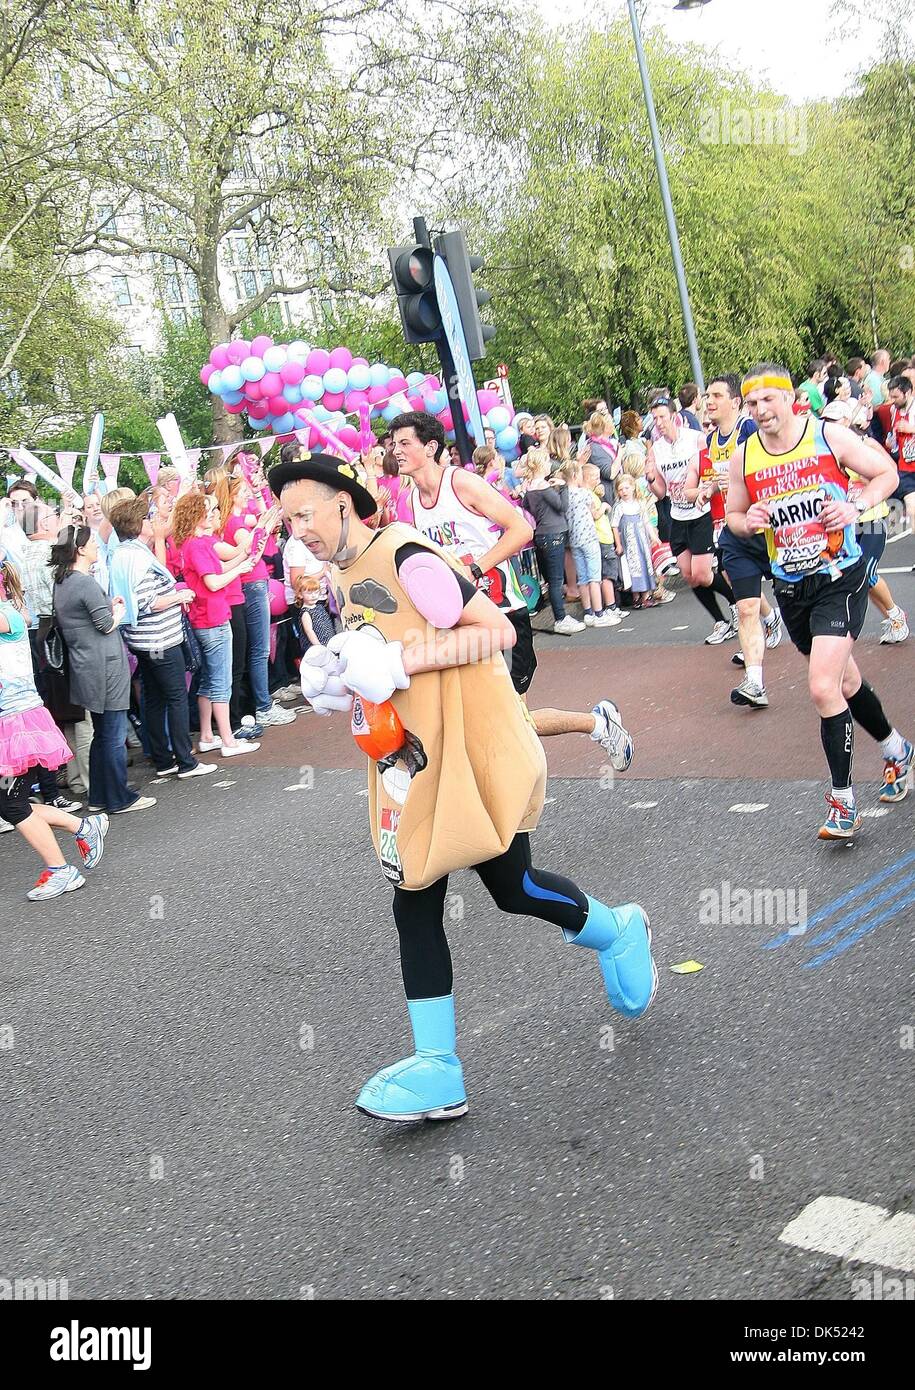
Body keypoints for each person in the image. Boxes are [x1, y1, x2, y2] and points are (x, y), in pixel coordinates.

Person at [269, 450, 657, 1123]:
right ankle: (437, 1067)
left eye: (302, 513)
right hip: (411, 758)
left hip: (465, 749)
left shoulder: (404, 553)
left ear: (341, 502)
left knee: (515, 888)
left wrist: (395, 661)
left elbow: (493, 631)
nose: (295, 529)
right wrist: (331, 677)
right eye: (285, 520)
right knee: (412, 894)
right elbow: (378, 650)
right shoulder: (340, 571)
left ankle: (617, 929)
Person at [726, 362, 912, 838]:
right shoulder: (745, 455)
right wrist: (751, 521)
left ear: (790, 398)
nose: (761, 410)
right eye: (752, 403)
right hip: (791, 586)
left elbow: (887, 474)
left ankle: (843, 802)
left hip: (839, 575)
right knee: (845, 682)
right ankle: (896, 750)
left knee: (821, 687)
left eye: (769, 399)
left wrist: (855, 505)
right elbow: (734, 515)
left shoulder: (828, 436)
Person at [390, 412, 632, 765]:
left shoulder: (460, 484)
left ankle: (597, 724)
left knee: (512, 718)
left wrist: (474, 568)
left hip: (502, 616)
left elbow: (520, 530)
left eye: (404, 443)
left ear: (429, 447)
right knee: (481, 717)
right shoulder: (411, 501)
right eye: (393, 444)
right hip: (462, 624)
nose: (395, 450)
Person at [0, 557, 108, 897]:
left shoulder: (8, 616)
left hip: (17, 724)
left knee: (12, 804)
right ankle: (82, 826)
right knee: (10, 803)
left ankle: (61, 870)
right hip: (10, 722)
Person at [108, 496, 217, 781]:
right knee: (176, 697)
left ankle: (163, 759)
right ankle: (185, 761)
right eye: (149, 517)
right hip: (160, 639)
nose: (154, 520)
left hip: (142, 639)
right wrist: (179, 596)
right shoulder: (135, 557)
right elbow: (148, 601)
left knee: (154, 699)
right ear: (139, 524)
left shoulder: (122, 553)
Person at [689, 373, 781, 707]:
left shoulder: (748, 430)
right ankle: (755, 683)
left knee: (806, 606)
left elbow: (769, 465)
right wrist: (707, 490)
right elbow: (722, 479)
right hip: (736, 533)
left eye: (715, 395)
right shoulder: (712, 440)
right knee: (745, 608)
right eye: (706, 396)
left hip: (771, 530)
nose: (708, 401)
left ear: (734, 402)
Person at [51, 526, 156, 815]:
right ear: (81, 549)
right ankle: (119, 797)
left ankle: (100, 796)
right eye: (92, 543)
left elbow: (85, 617)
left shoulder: (63, 581)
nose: (98, 546)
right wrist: (119, 611)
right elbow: (105, 625)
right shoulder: (83, 582)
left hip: (85, 665)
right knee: (111, 735)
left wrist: (107, 606)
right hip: (104, 665)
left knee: (101, 734)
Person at [170, 491, 263, 758]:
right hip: (212, 618)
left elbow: (218, 570)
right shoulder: (197, 544)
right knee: (221, 682)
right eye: (208, 510)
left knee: (210, 681)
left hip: (207, 617)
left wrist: (243, 562)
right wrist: (241, 569)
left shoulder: (196, 543)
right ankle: (228, 740)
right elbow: (213, 581)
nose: (213, 514)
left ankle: (209, 735)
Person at [646, 396, 738, 644]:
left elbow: (711, 469)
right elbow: (661, 492)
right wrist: (651, 479)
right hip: (677, 516)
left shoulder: (695, 439)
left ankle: (735, 604)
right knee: (689, 576)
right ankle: (720, 622)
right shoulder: (656, 449)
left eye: (662, 417)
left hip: (701, 513)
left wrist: (706, 491)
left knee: (702, 573)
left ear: (674, 416)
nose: (659, 423)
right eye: (655, 419)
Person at [222, 478, 295, 729]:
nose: (245, 496)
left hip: (257, 582)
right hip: (251, 584)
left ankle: (261, 703)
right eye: (241, 492)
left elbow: (267, 519)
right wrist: (263, 528)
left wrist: (268, 512)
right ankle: (263, 705)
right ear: (231, 497)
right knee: (260, 648)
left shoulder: (241, 520)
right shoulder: (233, 522)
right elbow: (252, 546)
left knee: (259, 648)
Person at [521, 448, 583, 634]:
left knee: (552, 580)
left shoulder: (529, 488)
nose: (549, 464)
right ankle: (560, 618)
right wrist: (563, 486)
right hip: (553, 534)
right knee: (556, 581)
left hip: (541, 534)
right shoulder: (542, 486)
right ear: (540, 464)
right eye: (547, 461)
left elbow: (526, 507)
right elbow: (562, 506)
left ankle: (561, 616)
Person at [611, 474, 656, 608]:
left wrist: (653, 536)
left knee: (645, 564)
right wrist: (618, 544)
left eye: (626, 488)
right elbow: (614, 525)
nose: (624, 491)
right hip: (629, 542)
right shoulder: (619, 507)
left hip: (641, 541)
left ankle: (646, 595)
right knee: (632, 567)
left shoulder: (639, 504)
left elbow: (646, 522)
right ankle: (636, 596)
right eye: (621, 489)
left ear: (633, 487)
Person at [886, 374, 915, 540]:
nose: (893, 400)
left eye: (896, 396)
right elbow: (895, 436)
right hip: (905, 467)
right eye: (891, 396)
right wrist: (893, 444)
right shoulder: (893, 410)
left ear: (908, 392)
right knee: (911, 509)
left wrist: (911, 428)